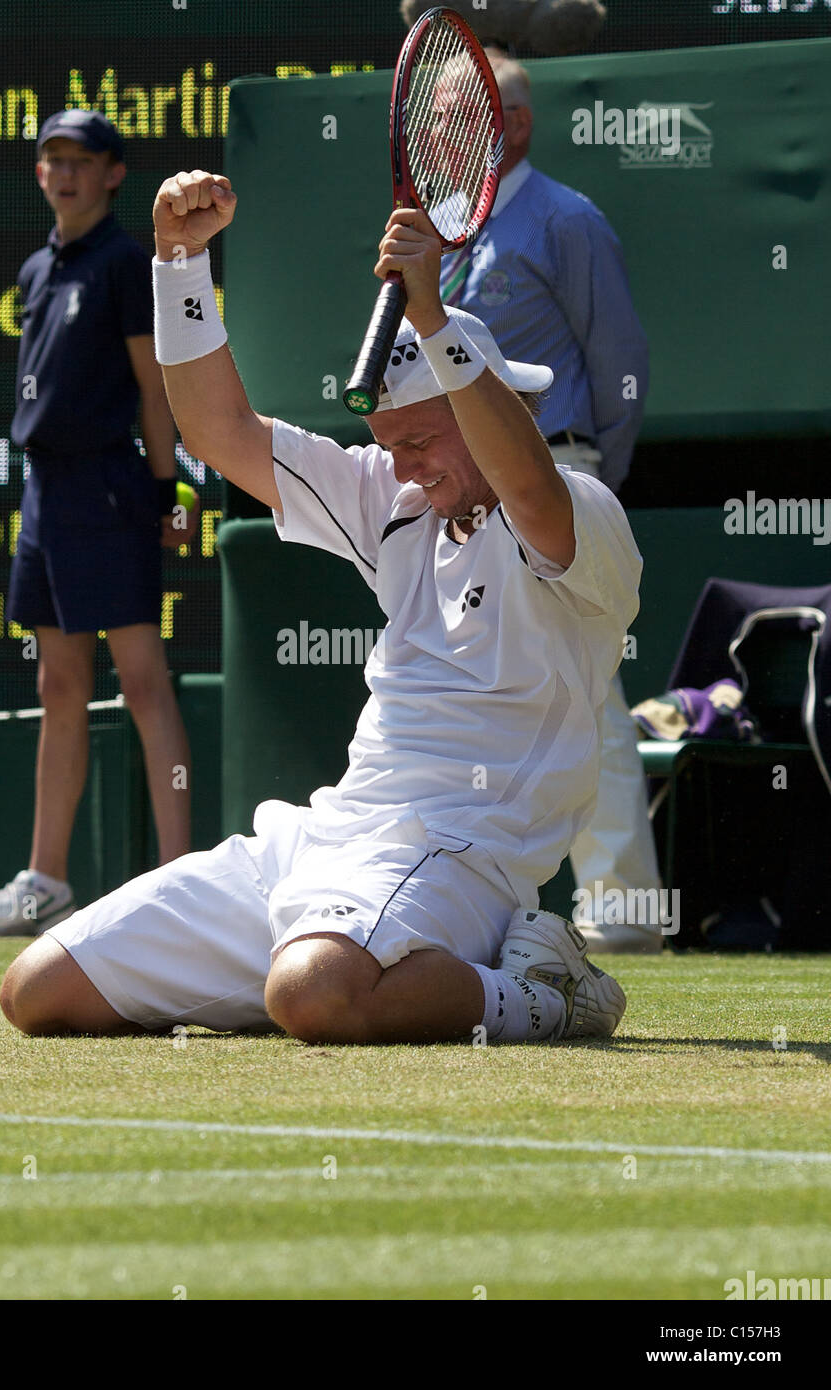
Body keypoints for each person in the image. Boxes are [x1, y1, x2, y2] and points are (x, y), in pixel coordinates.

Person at [0, 168, 640, 1047]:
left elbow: (524, 484)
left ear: (504, 405)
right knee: (39, 990)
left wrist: (432, 321)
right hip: (322, 837)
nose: (403, 464)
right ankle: (353, 966)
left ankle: (545, 997)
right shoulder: (394, 501)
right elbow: (223, 434)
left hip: (459, 856)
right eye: (389, 444)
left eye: (420, 440)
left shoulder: (579, 510)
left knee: (316, 998)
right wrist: (181, 264)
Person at [0, 112, 197, 938]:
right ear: (40, 174)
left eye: (80, 161)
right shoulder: (37, 269)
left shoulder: (127, 264)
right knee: (57, 685)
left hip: (107, 488)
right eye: (52, 160)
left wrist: (167, 489)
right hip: (44, 494)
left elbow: (154, 387)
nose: (64, 173)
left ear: (113, 174)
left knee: (141, 681)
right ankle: (45, 883)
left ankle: (178, 883)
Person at [441, 57, 662, 952]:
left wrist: (582, 473)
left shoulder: (566, 219)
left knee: (587, 689)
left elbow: (621, 365)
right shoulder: (442, 237)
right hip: (456, 497)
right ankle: (467, 900)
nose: (442, 137)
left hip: (552, 479)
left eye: (461, 118)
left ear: (516, 127)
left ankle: (620, 907)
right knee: (463, 688)